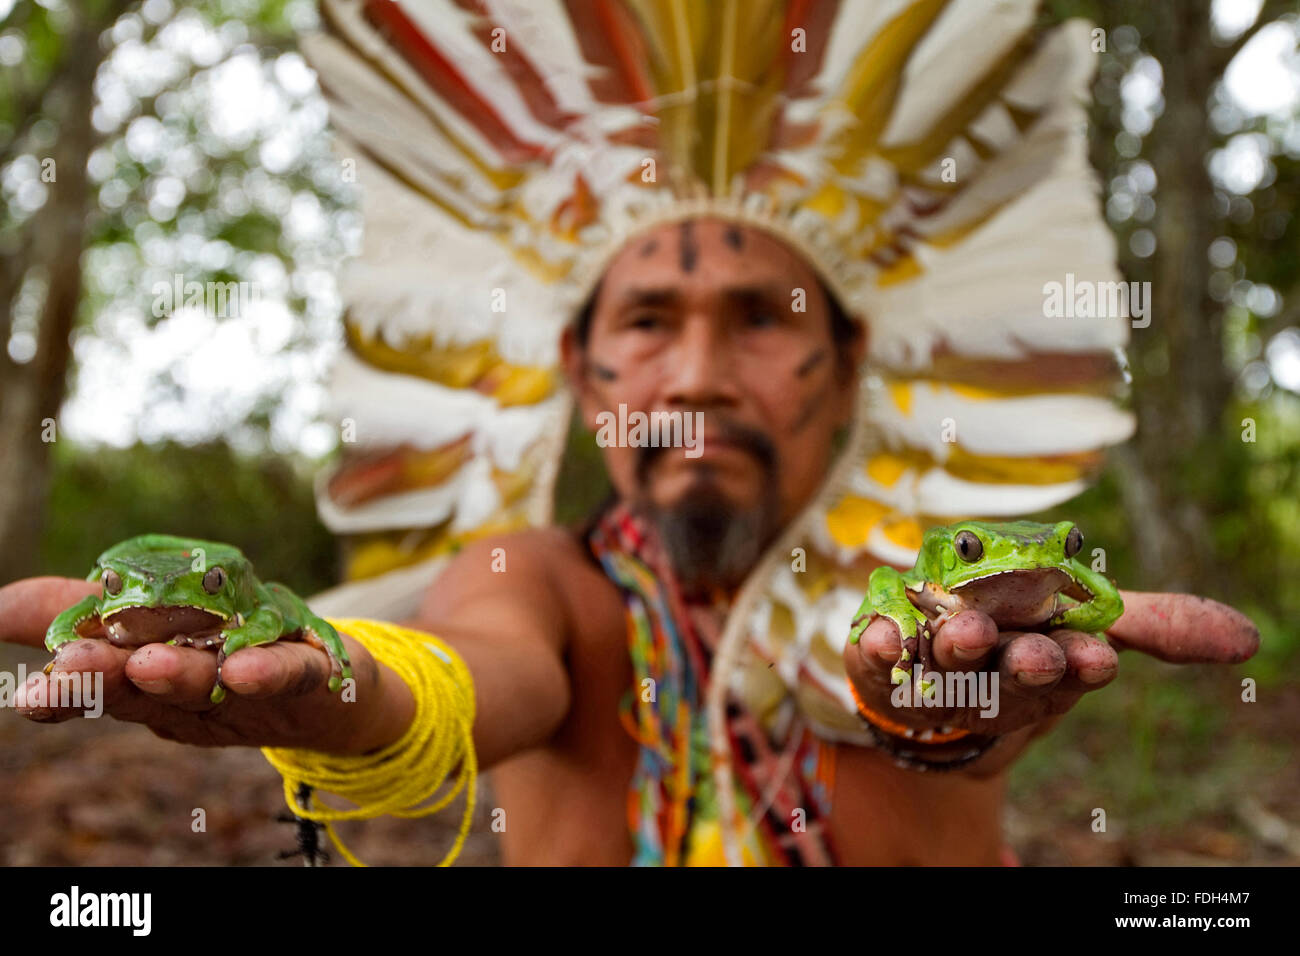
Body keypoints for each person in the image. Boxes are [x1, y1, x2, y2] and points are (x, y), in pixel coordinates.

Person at [0, 1, 1262, 865]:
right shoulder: (537, 578)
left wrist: (946, 702)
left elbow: (922, 689)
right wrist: (337, 685)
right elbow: (466, 667)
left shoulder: (948, 577)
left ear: (848, 361)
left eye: (761, 320)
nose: (701, 373)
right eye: (650, 320)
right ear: (580, 367)